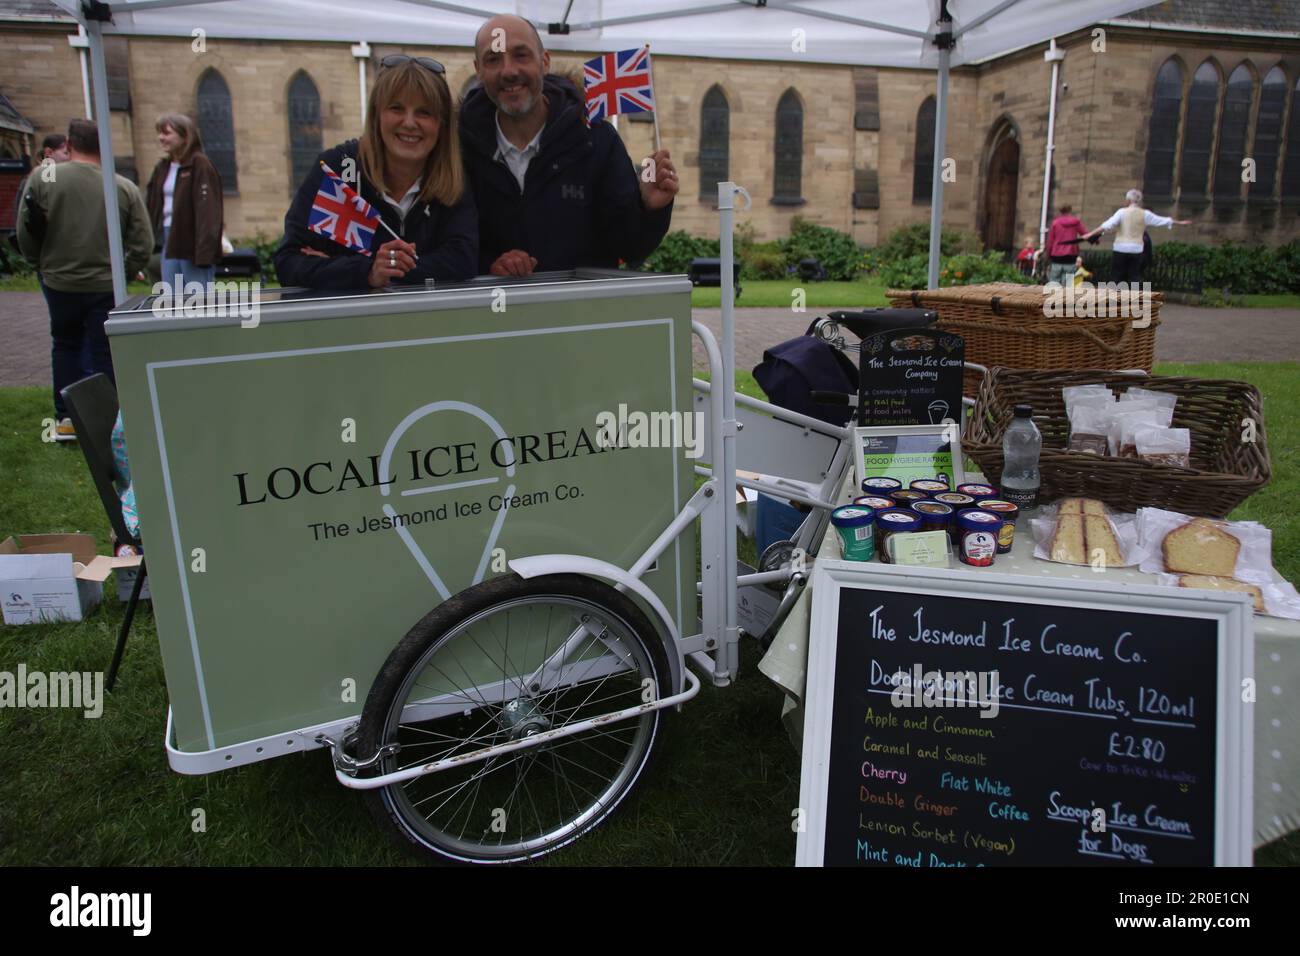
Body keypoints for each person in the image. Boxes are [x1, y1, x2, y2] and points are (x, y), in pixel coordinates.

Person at [459, 14, 678, 276]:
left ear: (544, 62)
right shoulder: (458, 148)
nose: (509, 71)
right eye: (493, 60)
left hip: (583, 313)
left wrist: (648, 208)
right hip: (493, 312)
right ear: (479, 71)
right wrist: (490, 264)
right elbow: (449, 245)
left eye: (521, 55)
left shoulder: (597, 140)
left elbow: (629, 248)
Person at [275, 56, 477, 290]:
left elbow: (463, 262)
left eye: (424, 112)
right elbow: (288, 263)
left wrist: (381, 268)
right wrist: (367, 271)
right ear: (376, 115)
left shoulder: (453, 178)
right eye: (396, 108)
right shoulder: (338, 170)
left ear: (441, 124)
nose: (410, 123)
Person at [16, 119, 153, 440]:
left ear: (70, 143)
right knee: (105, 350)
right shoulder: (120, 185)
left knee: (64, 346)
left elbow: (25, 229)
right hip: (105, 282)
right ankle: (110, 419)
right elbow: (142, 242)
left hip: (60, 280)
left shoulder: (45, 176)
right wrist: (126, 270)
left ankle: (66, 420)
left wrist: (41, 263)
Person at [145, 113, 223, 290]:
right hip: (167, 237)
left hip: (191, 240)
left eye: (167, 133)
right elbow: (151, 205)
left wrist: (204, 251)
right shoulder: (162, 168)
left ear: (185, 136)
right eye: (160, 133)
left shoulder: (200, 164)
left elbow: (208, 211)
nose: (161, 138)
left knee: (198, 298)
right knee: (172, 296)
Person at [1083, 189, 1190, 285]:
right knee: (1135, 276)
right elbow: (1162, 220)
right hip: (1136, 248)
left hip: (1121, 248)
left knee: (1117, 276)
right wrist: (1180, 222)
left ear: (1129, 200)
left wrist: (1090, 234)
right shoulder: (1145, 214)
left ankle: (1114, 301)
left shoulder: (1121, 212)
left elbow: (1106, 225)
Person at [1043, 204, 1090, 285]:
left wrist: (1048, 255)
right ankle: (1065, 297)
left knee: (1054, 281)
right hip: (1071, 257)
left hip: (1056, 257)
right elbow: (1085, 234)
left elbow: (1050, 241)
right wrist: (1095, 240)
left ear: (1060, 211)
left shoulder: (1055, 223)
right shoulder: (1075, 222)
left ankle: (1054, 297)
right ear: (1070, 210)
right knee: (1068, 283)